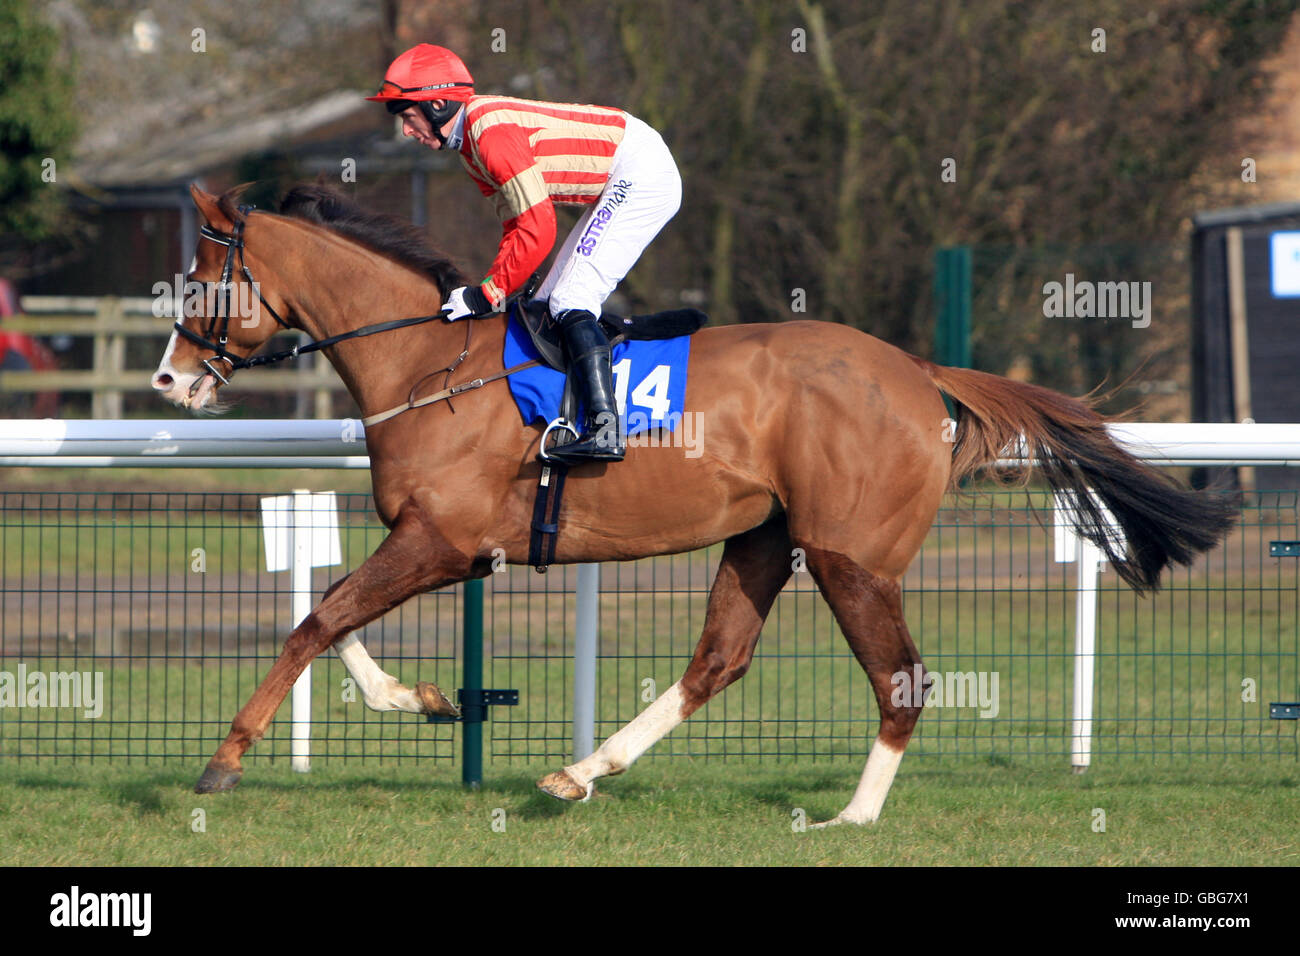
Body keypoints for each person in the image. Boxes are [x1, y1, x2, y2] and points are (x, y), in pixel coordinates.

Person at [368, 43, 682, 464]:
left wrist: (487, 293)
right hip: (620, 175)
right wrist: (498, 285)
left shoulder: (490, 137)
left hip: (639, 172)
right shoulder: (471, 149)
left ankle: (606, 428)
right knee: (542, 304)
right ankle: (564, 417)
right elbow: (516, 226)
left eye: (408, 117)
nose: (407, 130)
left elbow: (539, 228)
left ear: (438, 105)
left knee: (571, 299)